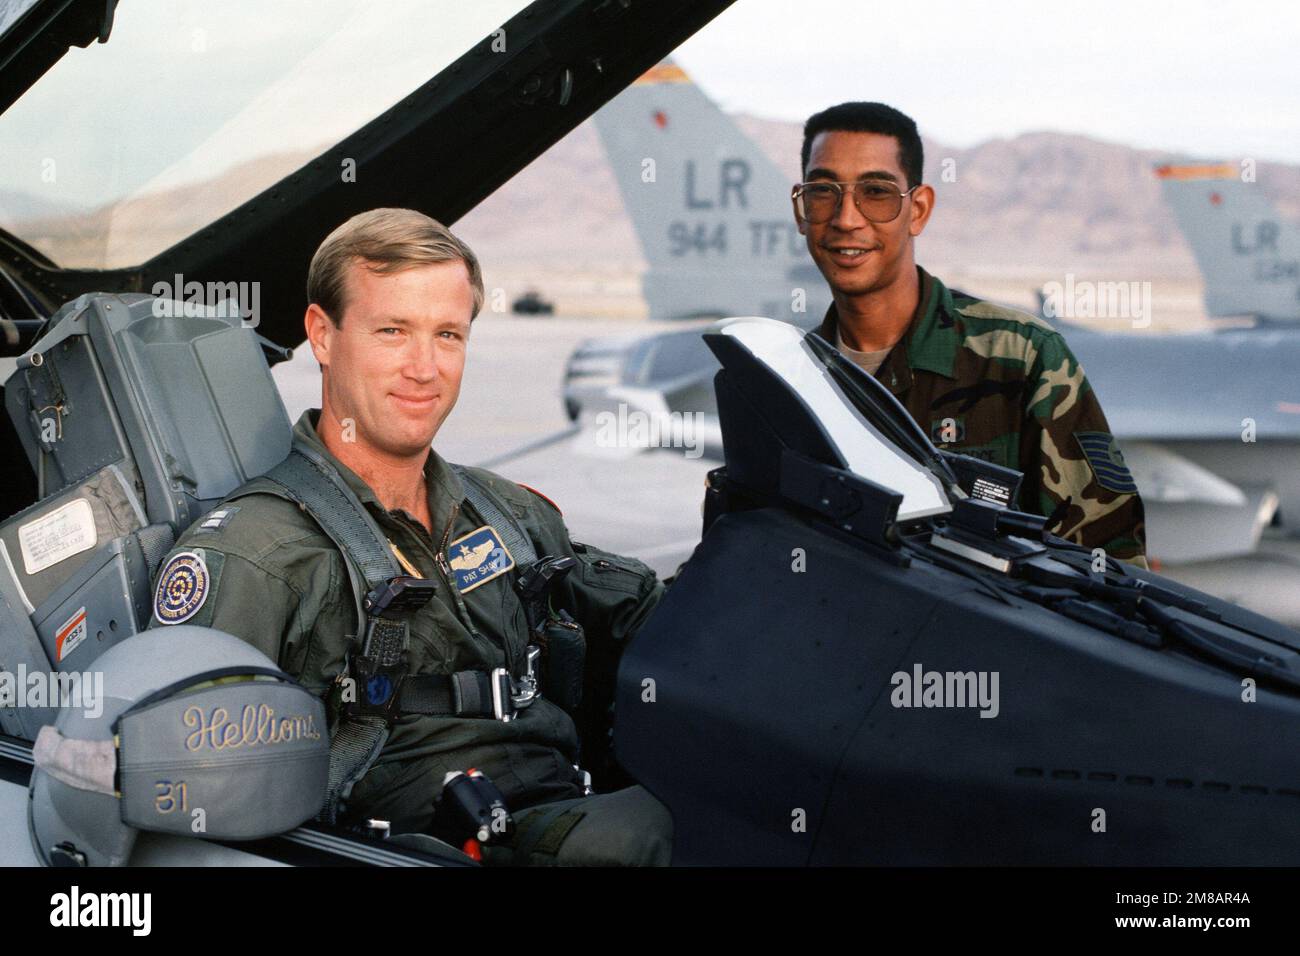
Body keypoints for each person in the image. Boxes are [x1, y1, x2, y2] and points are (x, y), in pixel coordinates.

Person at [148, 208, 672, 865]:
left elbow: (645, 615)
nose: (424, 368)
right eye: (393, 331)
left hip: (565, 804)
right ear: (323, 335)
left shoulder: (506, 513)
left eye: (447, 334)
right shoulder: (257, 555)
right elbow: (188, 813)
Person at [793, 102, 1146, 564]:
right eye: (824, 192)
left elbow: (1110, 563)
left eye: (876, 192)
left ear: (917, 210)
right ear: (801, 210)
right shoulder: (795, 380)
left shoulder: (1021, 358)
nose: (846, 218)